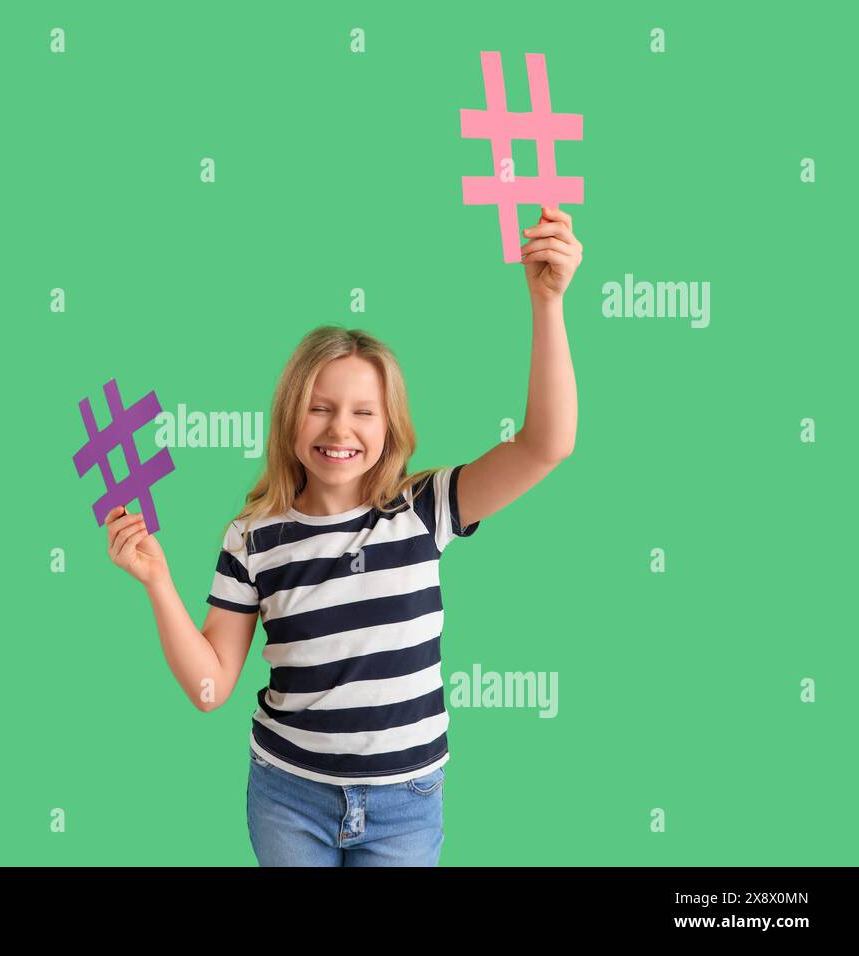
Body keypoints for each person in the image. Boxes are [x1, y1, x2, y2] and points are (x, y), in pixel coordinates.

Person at [104, 206, 582, 865]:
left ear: (391, 426)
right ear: (290, 417)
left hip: (404, 803)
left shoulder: (425, 507)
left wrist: (547, 303)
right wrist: (158, 584)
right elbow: (210, 686)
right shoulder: (254, 538)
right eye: (320, 408)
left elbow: (547, 445)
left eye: (363, 412)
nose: (340, 430)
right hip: (288, 797)